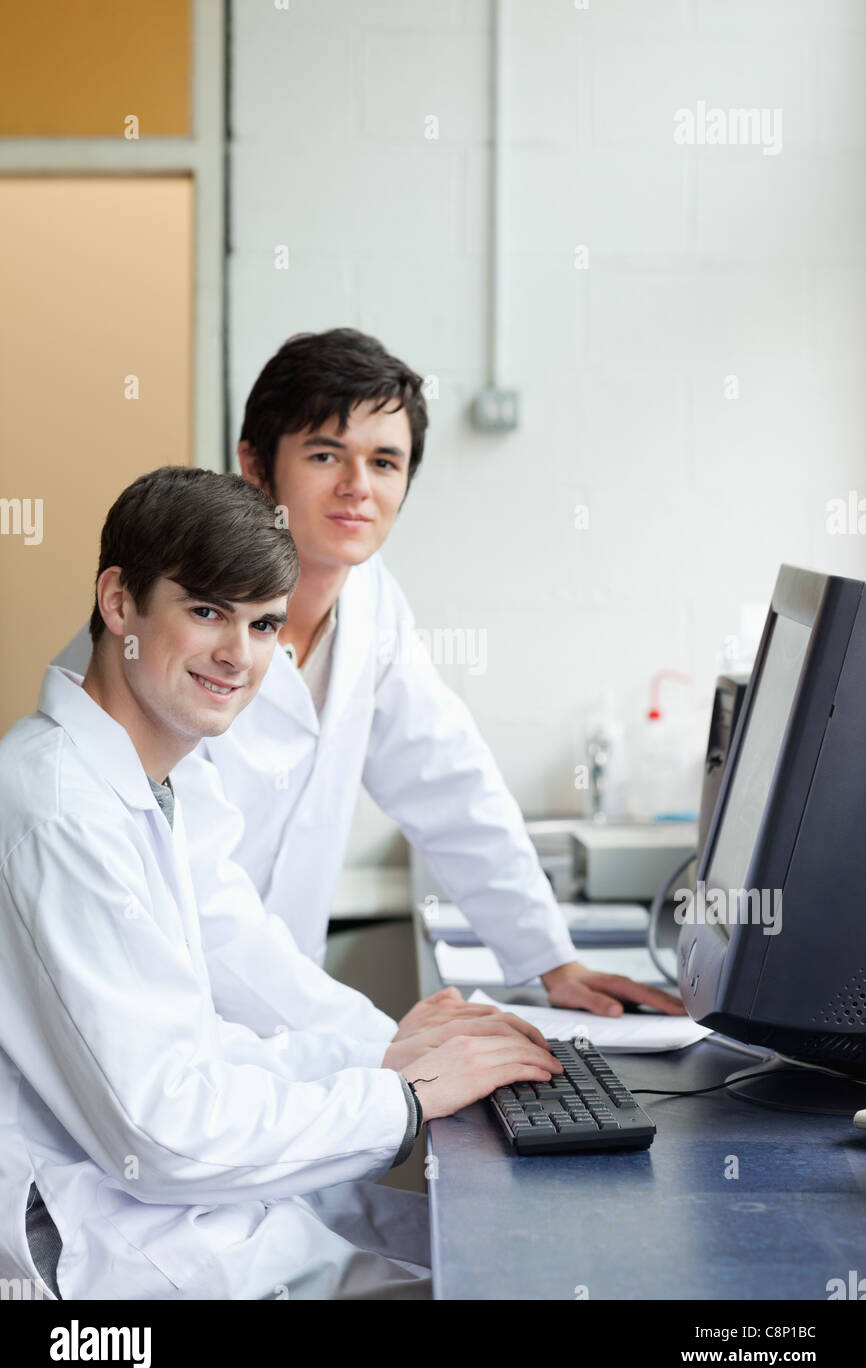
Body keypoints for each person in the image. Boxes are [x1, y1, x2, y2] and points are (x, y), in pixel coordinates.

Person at [0, 467, 560, 1301]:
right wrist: (402, 1100)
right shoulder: (61, 811)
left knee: (503, 1261)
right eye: (206, 612)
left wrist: (378, 1056)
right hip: (105, 1253)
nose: (239, 654)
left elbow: (193, 1044)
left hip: (180, 1219)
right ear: (119, 604)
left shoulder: (143, 782)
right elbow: (162, 1132)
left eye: (264, 624)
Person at [56, 329, 685, 1016]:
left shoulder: (372, 602)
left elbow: (451, 784)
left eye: (385, 462)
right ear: (256, 466)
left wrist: (550, 960)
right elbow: (203, 888)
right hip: (160, 1008)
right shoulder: (167, 635)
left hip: (275, 1013)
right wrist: (375, 1045)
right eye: (326, 454)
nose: (358, 487)